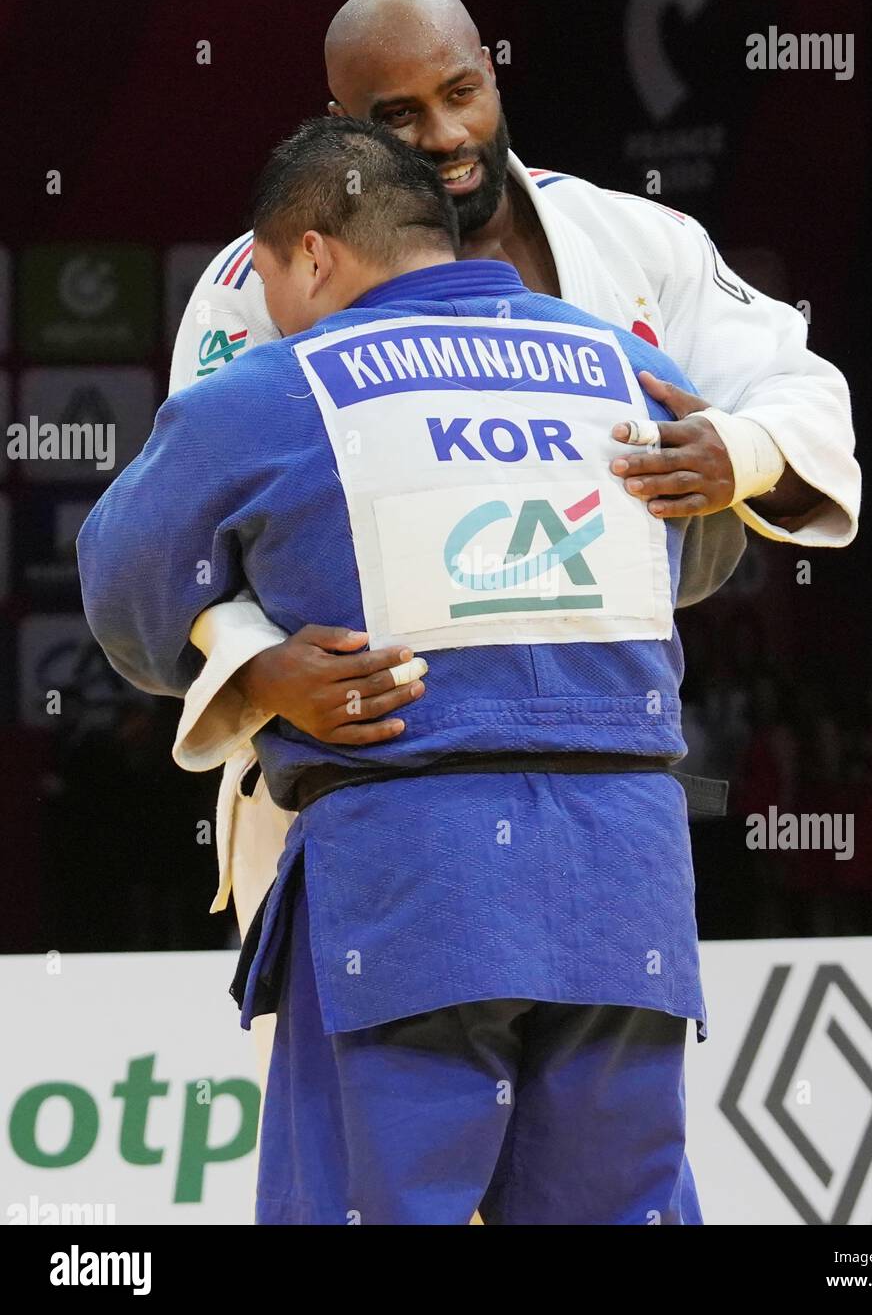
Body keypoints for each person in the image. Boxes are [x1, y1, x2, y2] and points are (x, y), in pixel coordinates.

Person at [167, 0, 860, 1088]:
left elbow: (794, 382)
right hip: (360, 780)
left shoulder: (636, 241)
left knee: (582, 1171)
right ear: (340, 126)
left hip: (587, 779)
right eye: (398, 117)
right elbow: (182, 532)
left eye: (461, 92)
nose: (444, 137)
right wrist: (258, 666)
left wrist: (748, 452)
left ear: (493, 74)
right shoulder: (269, 276)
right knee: (378, 1165)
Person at [79, 114, 751, 1224]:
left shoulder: (275, 390)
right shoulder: (623, 365)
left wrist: (251, 663)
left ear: (310, 254)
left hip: (410, 891)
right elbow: (707, 540)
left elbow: (122, 580)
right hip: (622, 886)